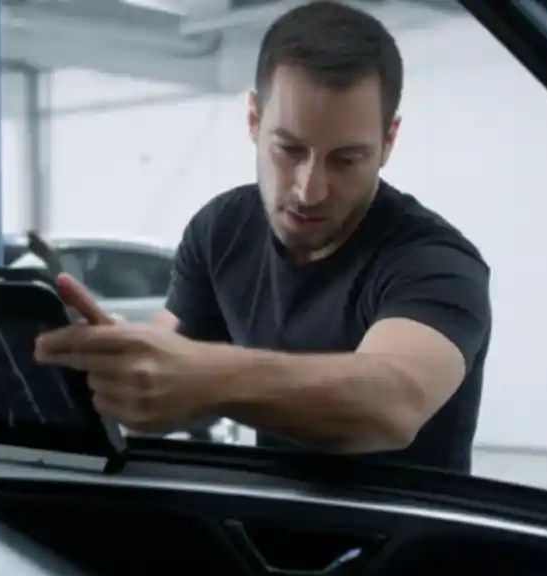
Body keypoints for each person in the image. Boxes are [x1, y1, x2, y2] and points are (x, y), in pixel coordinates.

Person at [36, 0, 492, 473]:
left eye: (347, 159)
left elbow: (391, 403)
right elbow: (165, 369)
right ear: (253, 120)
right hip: (271, 526)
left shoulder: (437, 263)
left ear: (389, 142)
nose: (308, 188)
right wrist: (115, 363)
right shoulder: (222, 230)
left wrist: (206, 378)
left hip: (406, 542)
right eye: (288, 149)